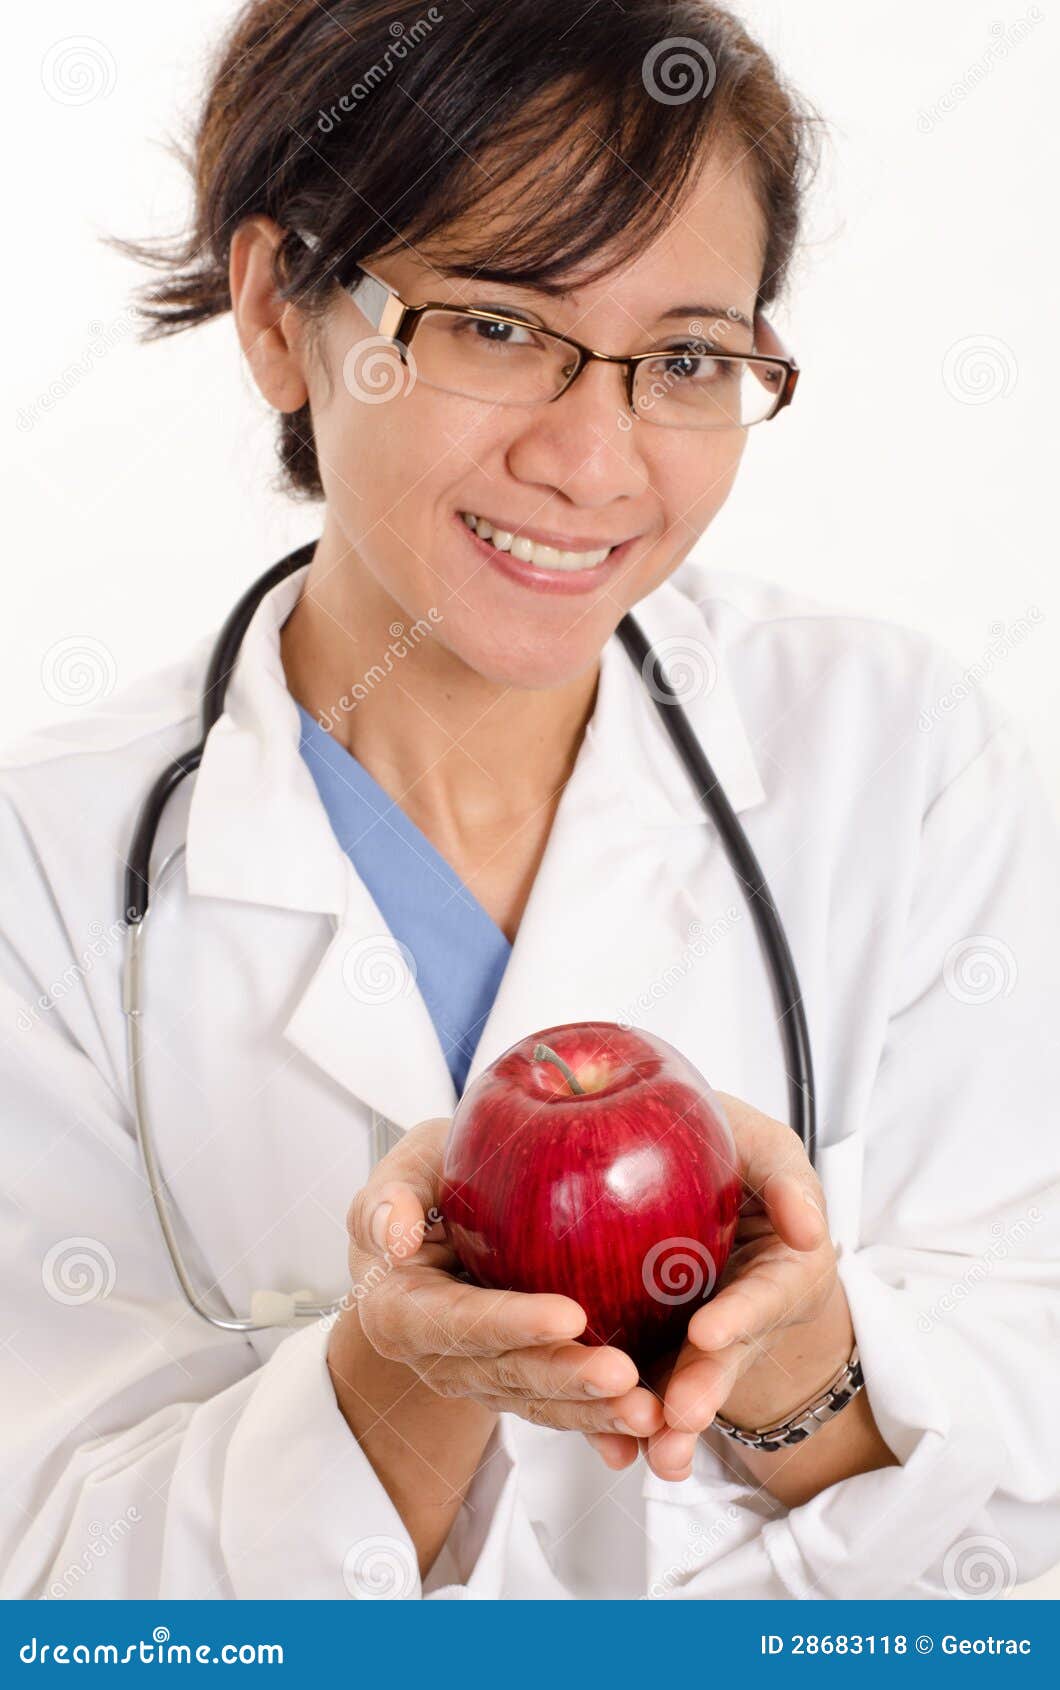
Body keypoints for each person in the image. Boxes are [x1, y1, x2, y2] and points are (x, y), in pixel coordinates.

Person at [2, 0, 1057, 1601]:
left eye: (686, 358)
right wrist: (405, 1370)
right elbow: (56, 1604)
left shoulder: (898, 761)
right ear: (284, 310)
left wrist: (800, 1357)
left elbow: (1021, 1556)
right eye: (498, 326)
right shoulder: (46, 871)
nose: (594, 459)